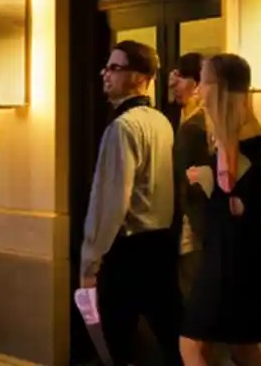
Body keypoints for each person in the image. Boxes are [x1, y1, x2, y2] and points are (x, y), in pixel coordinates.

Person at [81, 40, 182, 366]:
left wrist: (91, 258)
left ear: (139, 78)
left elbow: (112, 201)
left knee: (115, 344)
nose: (105, 74)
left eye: (115, 68)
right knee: (170, 336)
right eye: (106, 67)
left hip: (127, 248)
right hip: (160, 244)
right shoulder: (161, 122)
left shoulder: (122, 127)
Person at [181, 53, 261, 366]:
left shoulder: (238, 138)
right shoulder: (248, 134)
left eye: (204, 82)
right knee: (242, 346)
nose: (198, 89)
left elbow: (234, 199)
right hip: (243, 252)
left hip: (234, 256)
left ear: (220, 87)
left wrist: (205, 178)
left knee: (192, 343)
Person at [170, 53, 209, 300]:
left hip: (193, 230)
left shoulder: (195, 126)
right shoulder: (189, 120)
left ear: (197, 85)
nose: (174, 84)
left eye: (181, 77)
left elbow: (189, 182)